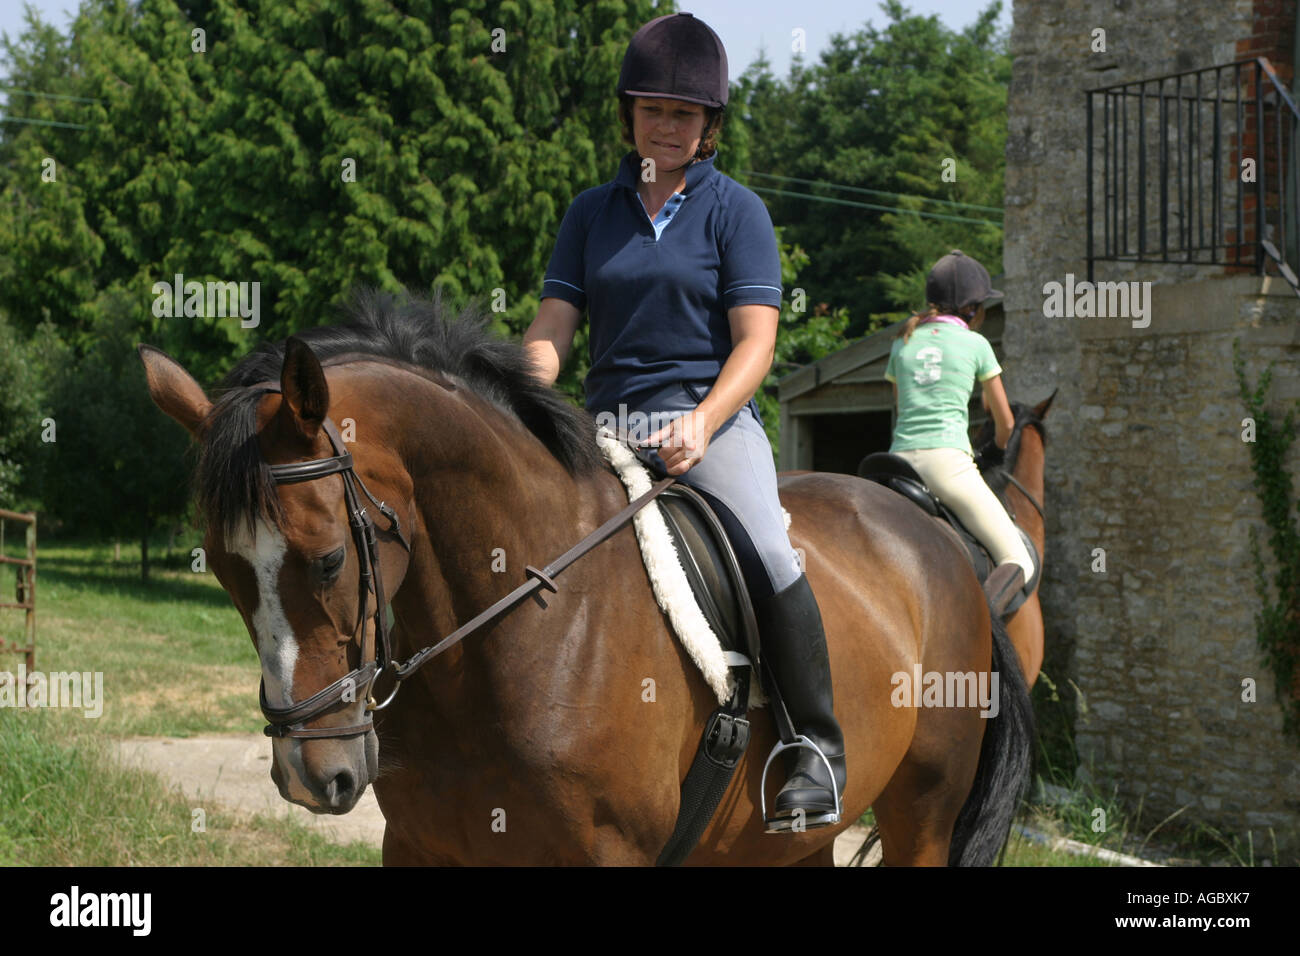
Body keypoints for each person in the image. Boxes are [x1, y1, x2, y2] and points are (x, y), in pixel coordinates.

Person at [521, 12, 845, 830]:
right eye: (652, 109)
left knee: (768, 545)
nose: (666, 126)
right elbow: (554, 328)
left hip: (709, 422)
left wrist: (702, 422)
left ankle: (814, 747)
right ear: (628, 113)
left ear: (709, 128)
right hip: (603, 425)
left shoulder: (737, 213)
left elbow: (756, 343)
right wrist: (520, 391)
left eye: (684, 114)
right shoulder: (591, 213)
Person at [884, 250, 1035, 613]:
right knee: (1020, 561)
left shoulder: (902, 343)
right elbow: (1007, 422)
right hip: (947, 466)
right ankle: (976, 629)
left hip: (895, 463)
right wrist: (997, 450)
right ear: (971, 309)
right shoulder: (976, 344)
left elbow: (902, 406)